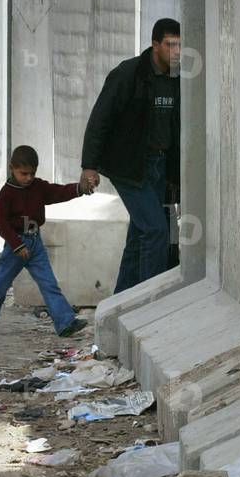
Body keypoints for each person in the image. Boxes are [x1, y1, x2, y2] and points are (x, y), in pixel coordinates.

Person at [80, 18, 181, 294]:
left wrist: (176, 175)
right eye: (171, 45)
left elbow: (178, 128)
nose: (176, 52)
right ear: (155, 45)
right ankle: (150, 301)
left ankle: (121, 302)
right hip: (129, 166)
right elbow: (100, 118)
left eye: (180, 46)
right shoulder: (129, 73)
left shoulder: (178, 78)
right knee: (155, 231)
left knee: (139, 235)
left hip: (159, 167)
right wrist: (89, 166)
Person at [0, 145, 91, 338]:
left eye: (32, 174)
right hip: (16, 245)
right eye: (23, 173)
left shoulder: (38, 187)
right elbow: (3, 226)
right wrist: (17, 245)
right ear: (12, 168)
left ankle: (65, 322)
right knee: (1, 283)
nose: (28, 178)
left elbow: (57, 192)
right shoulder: (5, 196)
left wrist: (79, 189)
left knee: (49, 283)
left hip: (35, 243)